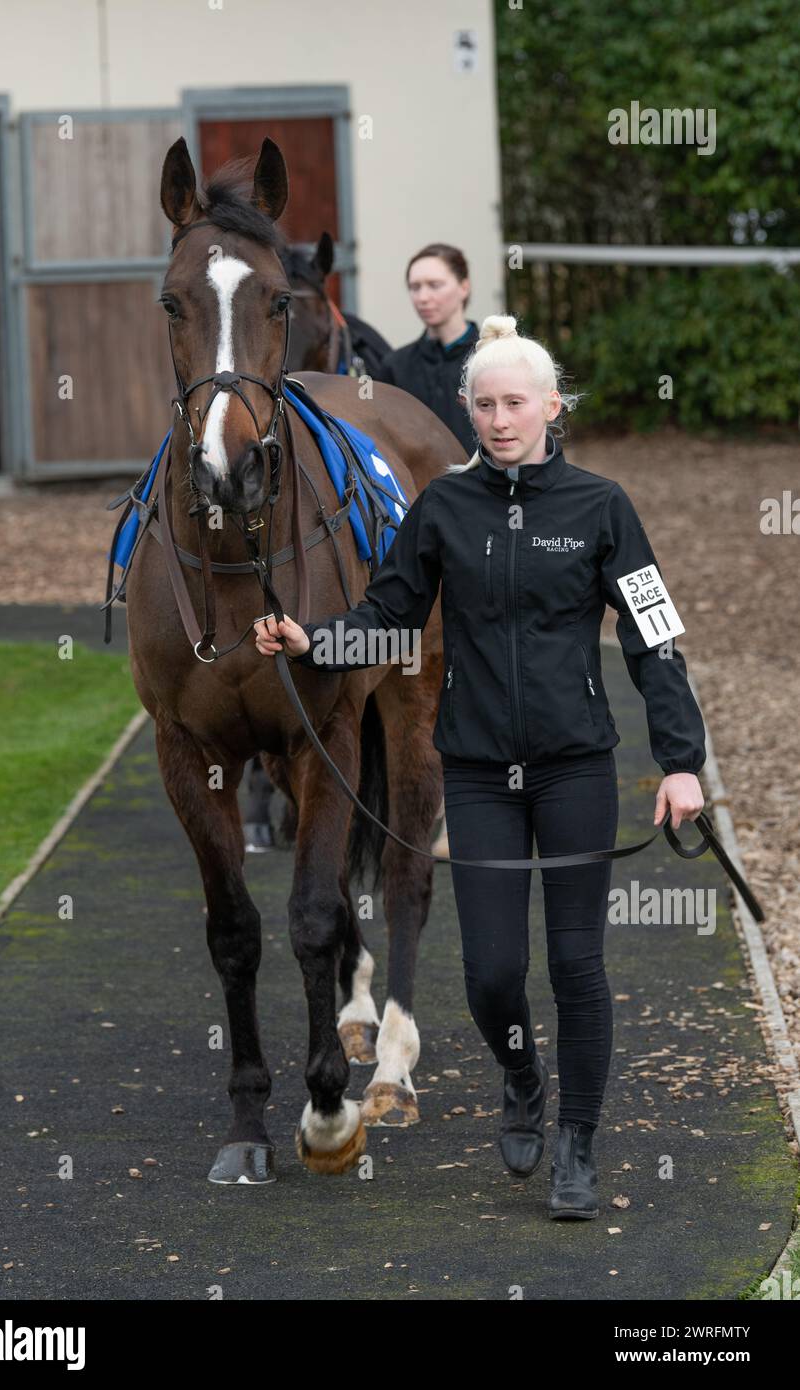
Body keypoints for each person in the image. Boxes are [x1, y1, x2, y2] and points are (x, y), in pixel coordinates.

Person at [253, 315, 706, 1221]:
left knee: (577, 965)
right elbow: (390, 609)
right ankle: (523, 1076)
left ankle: (576, 1143)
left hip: (577, 767)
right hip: (478, 768)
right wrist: (315, 639)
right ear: (469, 412)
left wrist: (681, 762)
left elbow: (656, 641)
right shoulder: (444, 509)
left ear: (550, 406)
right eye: (485, 405)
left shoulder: (603, 507)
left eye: (515, 403)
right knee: (491, 975)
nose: (500, 419)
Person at [373, 243, 479, 453]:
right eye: (414, 287)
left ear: (463, 287)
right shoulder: (395, 366)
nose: (422, 297)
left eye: (435, 285)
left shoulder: (496, 359)